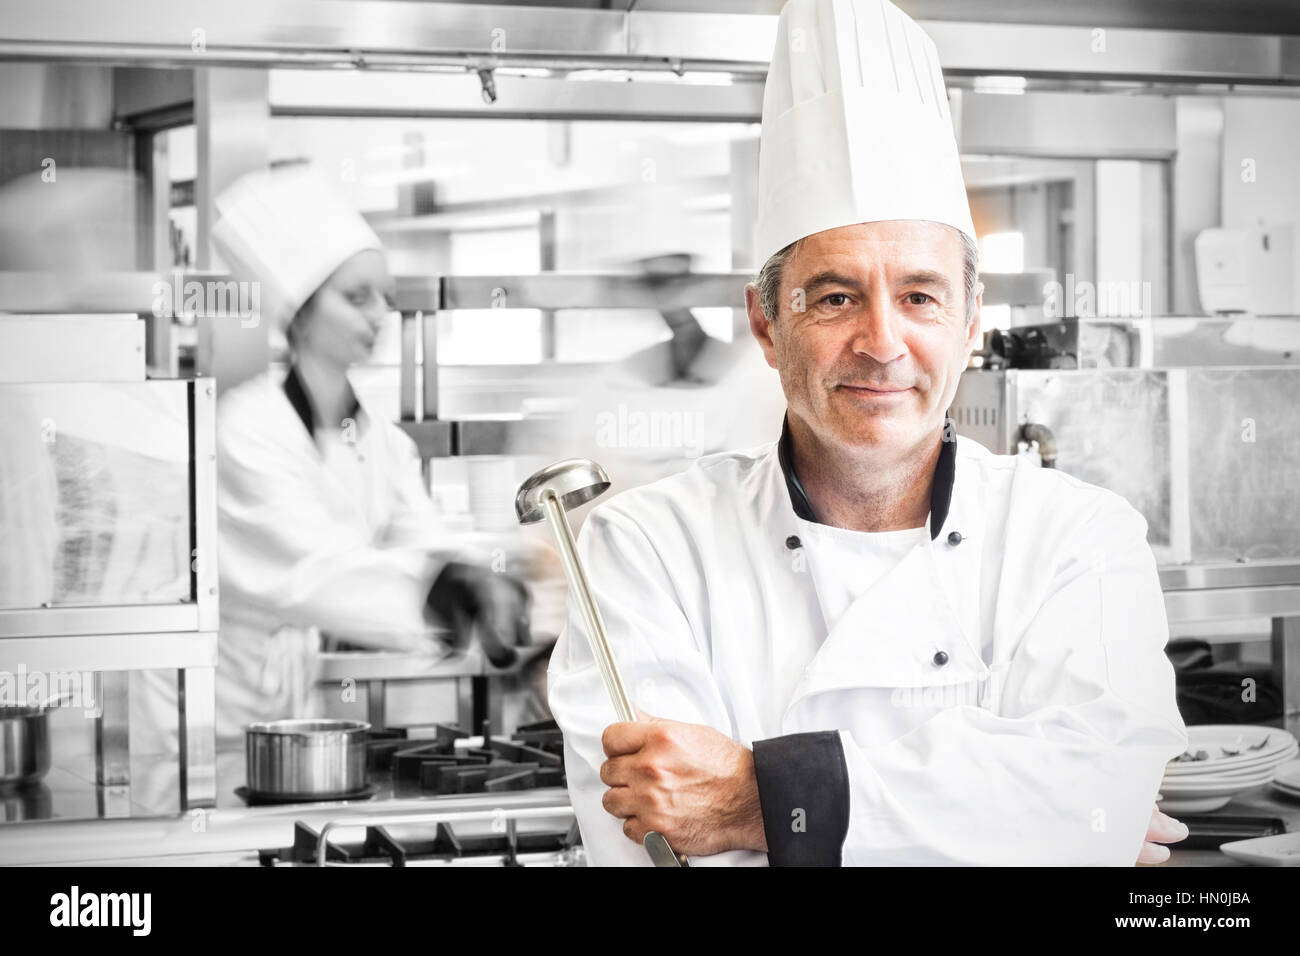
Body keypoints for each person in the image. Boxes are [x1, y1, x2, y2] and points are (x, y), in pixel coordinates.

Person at [547, 0, 1189, 866]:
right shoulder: (646, 550)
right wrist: (1021, 817)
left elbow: (1098, 801)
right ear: (768, 325)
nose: (882, 342)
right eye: (836, 295)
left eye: (920, 295)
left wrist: (756, 799)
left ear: (969, 323)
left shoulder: (1079, 538)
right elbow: (657, 850)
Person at [132, 165, 531, 753]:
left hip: (287, 710)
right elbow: (314, 568)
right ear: (300, 312)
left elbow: (420, 538)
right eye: (356, 297)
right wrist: (446, 591)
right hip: (198, 713)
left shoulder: (377, 438)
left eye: (385, 299)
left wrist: (489, 575)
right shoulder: (245, 433)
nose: (378, 316)